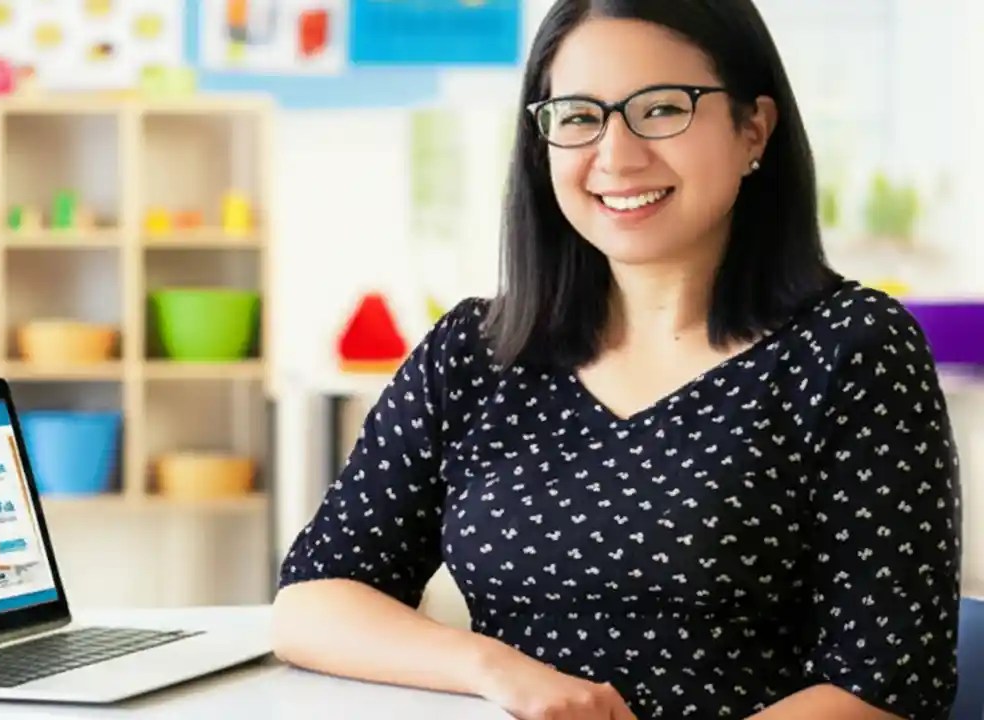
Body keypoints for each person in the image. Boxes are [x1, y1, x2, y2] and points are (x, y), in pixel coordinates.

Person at [272, 1, 962, 719]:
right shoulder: (478, 351)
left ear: (754, 127)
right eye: (577, 116)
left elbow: (885, 686)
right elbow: (313, 603)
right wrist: (496, 669)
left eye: (662, 109)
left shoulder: (854, 349)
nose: (618, 154)